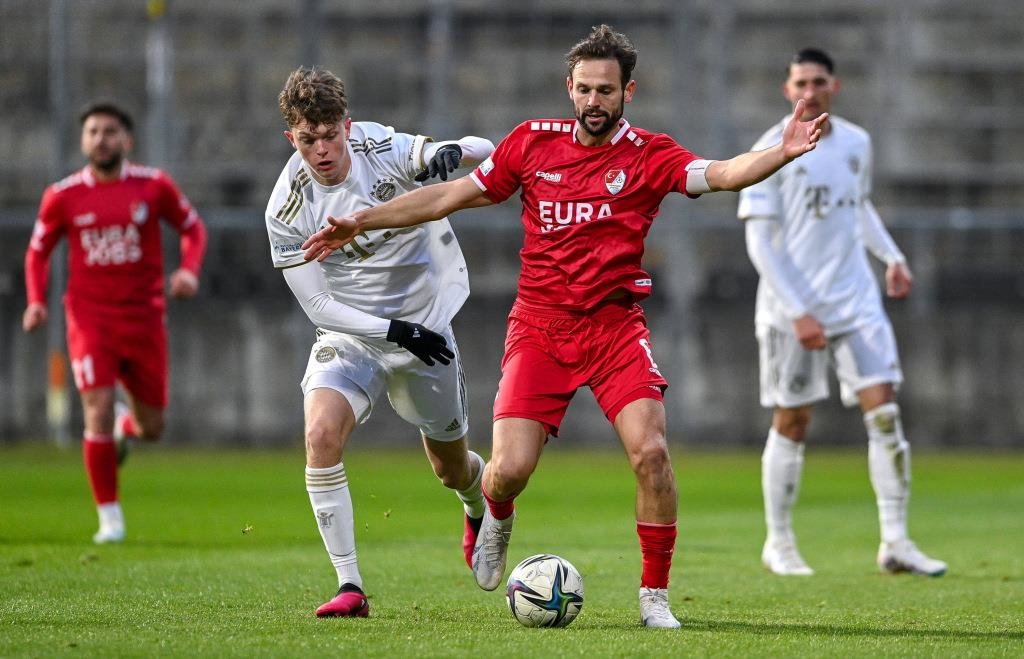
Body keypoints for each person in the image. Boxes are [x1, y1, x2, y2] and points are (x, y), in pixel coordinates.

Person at [300, 26, 827, 628]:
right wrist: (362, 221)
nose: (594, 101)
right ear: (568, 89)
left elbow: (725, 173)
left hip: (614, 329)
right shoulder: (531, 144)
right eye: (584, 89)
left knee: (652, 453)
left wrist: (781, 152)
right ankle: (495, 514)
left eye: (606, 90)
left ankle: (654, 598)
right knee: (509, 471)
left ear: (629, 91)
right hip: (540, 329)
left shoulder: (650, 155)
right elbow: (446, 197)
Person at [264, 67, 495, 618]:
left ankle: (474, 503)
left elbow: (488, 152)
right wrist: (393, 332)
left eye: (329, 134)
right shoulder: (285, 209)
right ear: (290, 138)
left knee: (450, 468)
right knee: (320, 434)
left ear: (346, 126)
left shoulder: (381, 144)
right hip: (353, 336)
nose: (322, 150)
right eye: (307, 139)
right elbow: (319, 305)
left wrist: (450, 150)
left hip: (427, 327)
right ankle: (350, 587)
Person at [737, 48, 947, 578]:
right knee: (793, 419)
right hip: (794, 309)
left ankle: (896, 541)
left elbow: (859, 206)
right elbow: (760, 242)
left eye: (819, 81)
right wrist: (799, 310)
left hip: (855, 301)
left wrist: (891, 255)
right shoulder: (771, 148)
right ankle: (778, 541)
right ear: (788, 90)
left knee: (885, 413)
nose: (810, 90)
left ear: (835, 85)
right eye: (800, 82)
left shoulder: (857, 142)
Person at [23, 101, 208, 544]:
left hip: (144, 318)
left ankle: (129, 427)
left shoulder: (153, 186)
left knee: (153, 429)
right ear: (83, 140)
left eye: (110, 131)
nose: (101, 139)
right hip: (90, 319)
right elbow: (37, 252)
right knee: (96, 409)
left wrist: (188, 270)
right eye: (92, 131)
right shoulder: (62, 196)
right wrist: (35, 301)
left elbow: (193, 229)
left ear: (127, 140)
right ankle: (110, 518)